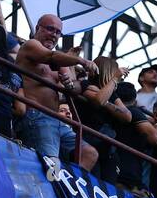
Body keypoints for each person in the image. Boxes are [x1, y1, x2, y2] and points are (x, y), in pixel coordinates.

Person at [16, 13, 98, 169]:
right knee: (50, 164)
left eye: (58, 32)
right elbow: (50, 56)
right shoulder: (31, 45)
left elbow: (74, 88)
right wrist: (81, 60)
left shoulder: (61, 59)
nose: (53, 35)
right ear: (37, 28)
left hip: (56, 120)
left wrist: (70, 84)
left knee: (89, 153)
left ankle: (69, 189)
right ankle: (49, 189)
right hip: (37, 115)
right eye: (50, 29)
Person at [77, 56, 127, 182]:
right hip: (88, 143)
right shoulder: (87, 85)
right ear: (107, 72)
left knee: (106, 190)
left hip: (107, 150)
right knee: (91, 183)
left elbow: (127, 116)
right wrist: (114, 79)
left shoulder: (112, 95)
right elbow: (99, 100)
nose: (117, 78)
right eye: (114, 73)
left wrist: (106, 103)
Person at [112, 82, 157, 196]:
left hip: (111, 169)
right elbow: (154, 138)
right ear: (134, 100)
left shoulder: (109, 109)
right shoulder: (133, 111)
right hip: (127, 178)